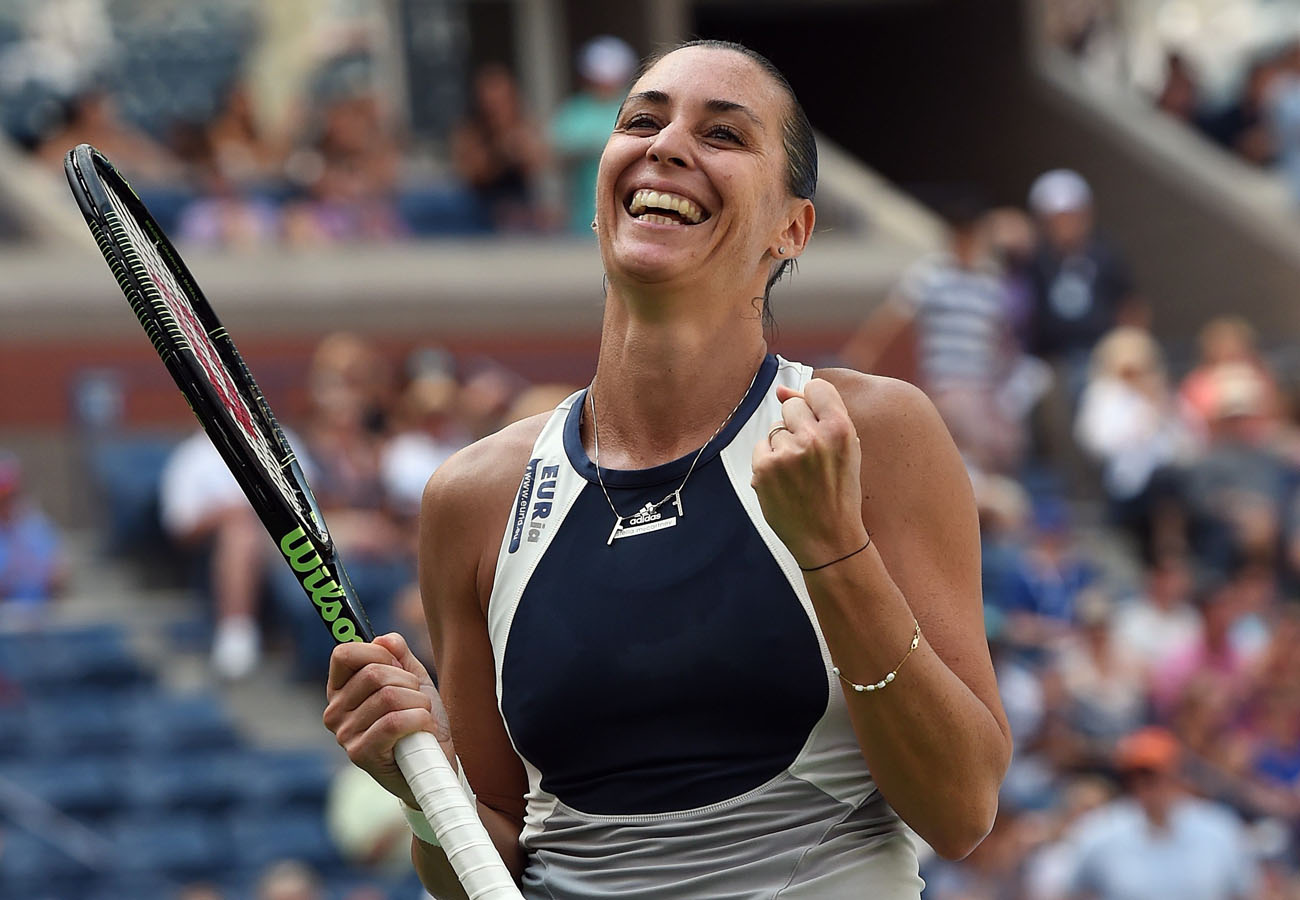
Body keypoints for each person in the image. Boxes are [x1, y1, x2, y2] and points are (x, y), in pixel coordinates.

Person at [324, 39, 1011, 898]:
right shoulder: (474, 497)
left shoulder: (871, 432)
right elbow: (488, 861)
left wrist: (834, 549)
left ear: (790, 228)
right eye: (642, 121)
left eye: (723, 135)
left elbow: (962, 809)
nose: (667, 145)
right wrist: (428, 794)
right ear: (602, 191)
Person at [1064, 727, 1258, 900]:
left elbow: (1244, 891)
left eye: (1154, 777)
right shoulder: (1101, 832)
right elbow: (1073, 891)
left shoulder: (1218, 830)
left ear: (1176, 776)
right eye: (1136, 777)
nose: (1146, 787)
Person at [550, 36, 638, 235]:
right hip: (582, 220)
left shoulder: (634, 106)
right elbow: (554, 156)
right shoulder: (574, 111)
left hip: (630, 214)